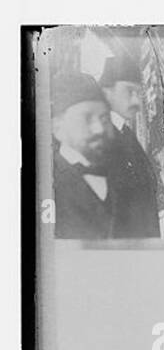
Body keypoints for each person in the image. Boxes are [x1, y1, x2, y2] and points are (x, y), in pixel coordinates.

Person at [51, 73, 126, 239]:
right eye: (87, 118)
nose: (99, 128)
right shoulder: (46, 184)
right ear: (57, 127)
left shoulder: (125, 179)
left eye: (105, 119)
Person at [98, 57, 159, 238]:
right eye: (129, 91)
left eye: (139, 93)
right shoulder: (98, 138)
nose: (136, 101)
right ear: (106, 92)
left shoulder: (127, 135)